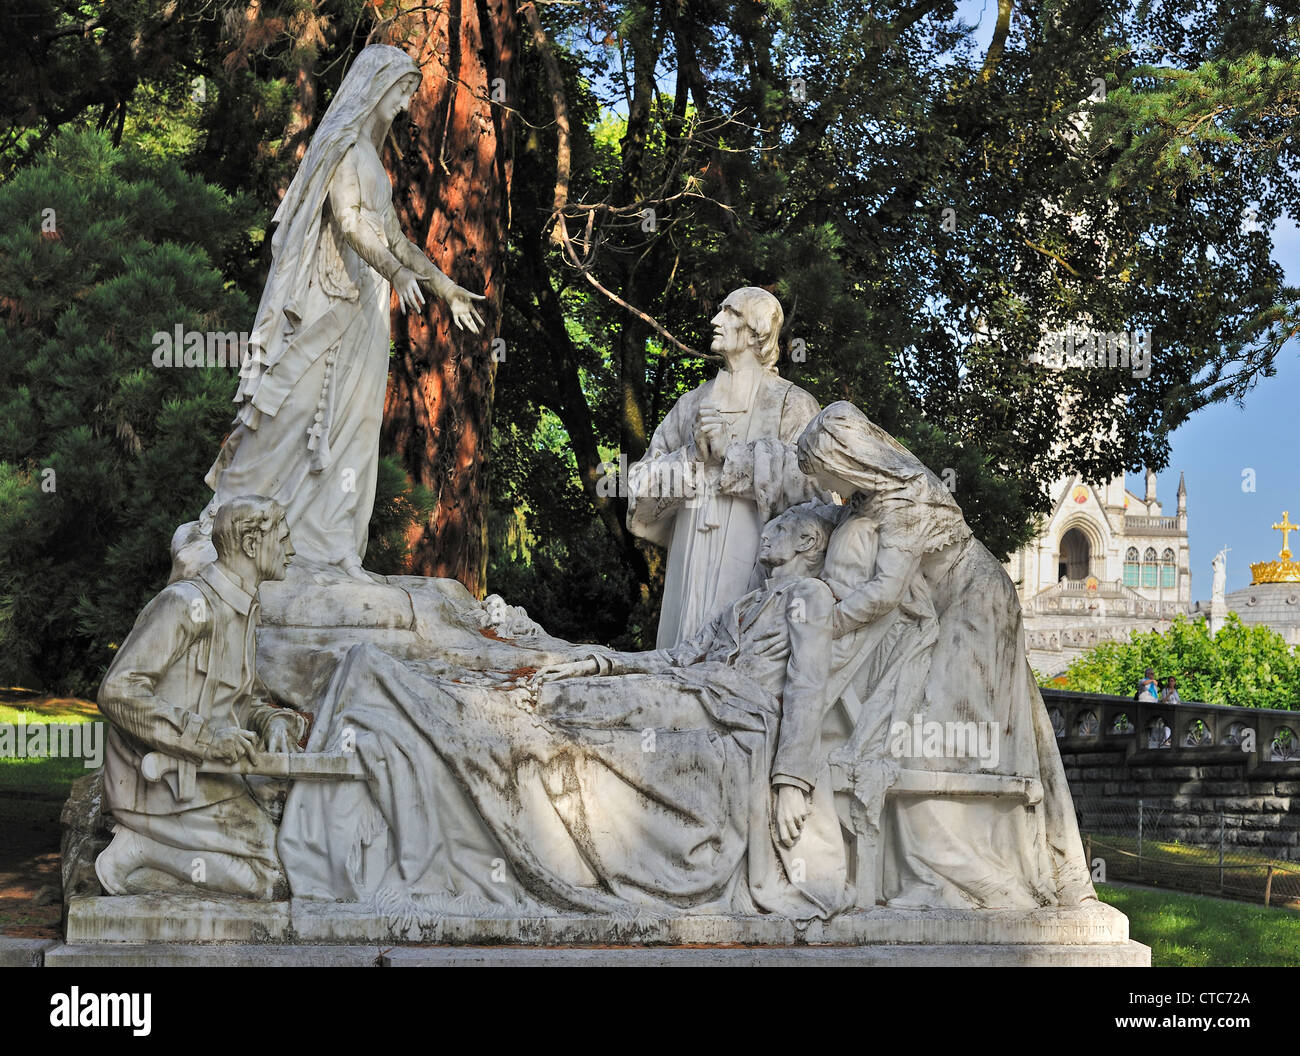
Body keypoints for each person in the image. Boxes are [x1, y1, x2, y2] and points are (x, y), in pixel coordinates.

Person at [277, 503, 853, 920]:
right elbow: (675, 656)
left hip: (731, 716)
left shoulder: (809, 598)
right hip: (691, 691)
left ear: (806, 540)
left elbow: (805, 686)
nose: (765, 535)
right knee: (570, 694)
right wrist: (590, 660)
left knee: (577, 703)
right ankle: (504, 729)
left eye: (778, 527)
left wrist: (791, 782)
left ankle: (508, 736)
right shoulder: (748, 603)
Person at [794, 401, 1094, 909]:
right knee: (916, 735)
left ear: (845, 459)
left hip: (974, 603)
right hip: (940, 612)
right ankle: (929, 876)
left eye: (826, 475)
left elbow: (887, 592)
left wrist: (821, 624)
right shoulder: (867, 497)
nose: (830, 490)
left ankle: (960, 880)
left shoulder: (903, 498)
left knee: (936, 740)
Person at [202, 45, 485, 582]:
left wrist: (445, 286)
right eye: (401, 91)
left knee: (355, 423)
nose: (405, 106)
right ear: (375, 87)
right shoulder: (343, 149)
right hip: (330, 303)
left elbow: (396, 239)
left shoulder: (374, 163)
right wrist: (397, 275)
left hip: (367, 313)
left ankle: (334, 547)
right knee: (296, 412)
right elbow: (352, 224)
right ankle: (237, 516)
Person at [96, 497, 306, 898]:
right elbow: (118, 691)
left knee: (296, 857)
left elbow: (247, 698)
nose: (291, 551)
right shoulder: (185, 604)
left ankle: (148, 859)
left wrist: (273, 721)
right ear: (249, 543)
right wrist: (207, 737)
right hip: (159, 783)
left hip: (207, 778)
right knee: (274, 879)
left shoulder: (244, 610)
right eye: (284, 539)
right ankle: (141, 847)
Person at [626, 287, 824, 647]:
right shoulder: (691, 405)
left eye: (730, 313)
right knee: (677, 664)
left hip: (752, 561)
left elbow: (818, 492)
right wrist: (693, 458)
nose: (715, 320)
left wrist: (733, 457)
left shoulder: (791, 405)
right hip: (689, 562)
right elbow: (638, 490)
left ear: (756, 331)